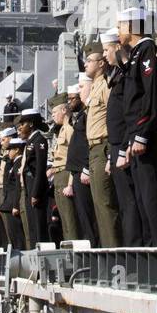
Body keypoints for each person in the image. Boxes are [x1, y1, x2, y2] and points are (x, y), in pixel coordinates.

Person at [120, 5, 157, 246]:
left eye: (121, 26)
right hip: (136, 137)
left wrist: (141, 135)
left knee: (153, 198)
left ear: (131, 27)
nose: (119, 32)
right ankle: (152, 248)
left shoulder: (147, 51)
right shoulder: (135, 56)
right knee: (143, 199)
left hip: (146, 138)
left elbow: (149, 96)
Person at [104, 29, 141, 246]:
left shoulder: (126, 74)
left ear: (118, 48)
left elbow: (130, 112)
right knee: (125, 203)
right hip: (116, 145)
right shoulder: (118, 74)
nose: (105, 55)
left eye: (108, 50)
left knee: (130, 203)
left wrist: (125, 145)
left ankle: (135, 248)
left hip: (123, 144)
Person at [84, 36, 121, 247]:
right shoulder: (97, 86)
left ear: (101, 63)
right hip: (93, 148)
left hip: (103, 145)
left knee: (106, 204)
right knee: (99, 204)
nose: (86, 64)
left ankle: (114, 252)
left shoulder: (106, 85)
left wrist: (109, 152)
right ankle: (108, 250)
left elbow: (113, 117)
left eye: (90, 60)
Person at [65, 77, 99, 244]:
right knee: (83, 215)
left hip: (83, 170)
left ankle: (94, 245)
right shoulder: (78, 117)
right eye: (69, 99)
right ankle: (90, 245)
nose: (70, 102)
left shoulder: (86, 116)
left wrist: (86, 167)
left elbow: (89, 141)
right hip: (77, 170)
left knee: (89, 213)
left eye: (73, 98)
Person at [47, 93, 77, 240]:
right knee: (64, 220)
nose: (52, 116)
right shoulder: (62, 130)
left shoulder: (70, 129)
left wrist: (70, 184)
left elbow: (73, 157)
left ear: (64, 110)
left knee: (70, 220)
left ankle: (75, 253)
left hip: (66, 175)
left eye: (54, 112)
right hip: (58, 175)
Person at [18, 109, 51, 244]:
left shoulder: (39, 140)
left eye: (23, 123)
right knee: (32, 226)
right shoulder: (30, 141)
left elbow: (40, 168)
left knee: (38, 227)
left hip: (35, 187)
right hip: (29, 185)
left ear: (31, 124)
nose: (20, 127)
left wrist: (35, 193)